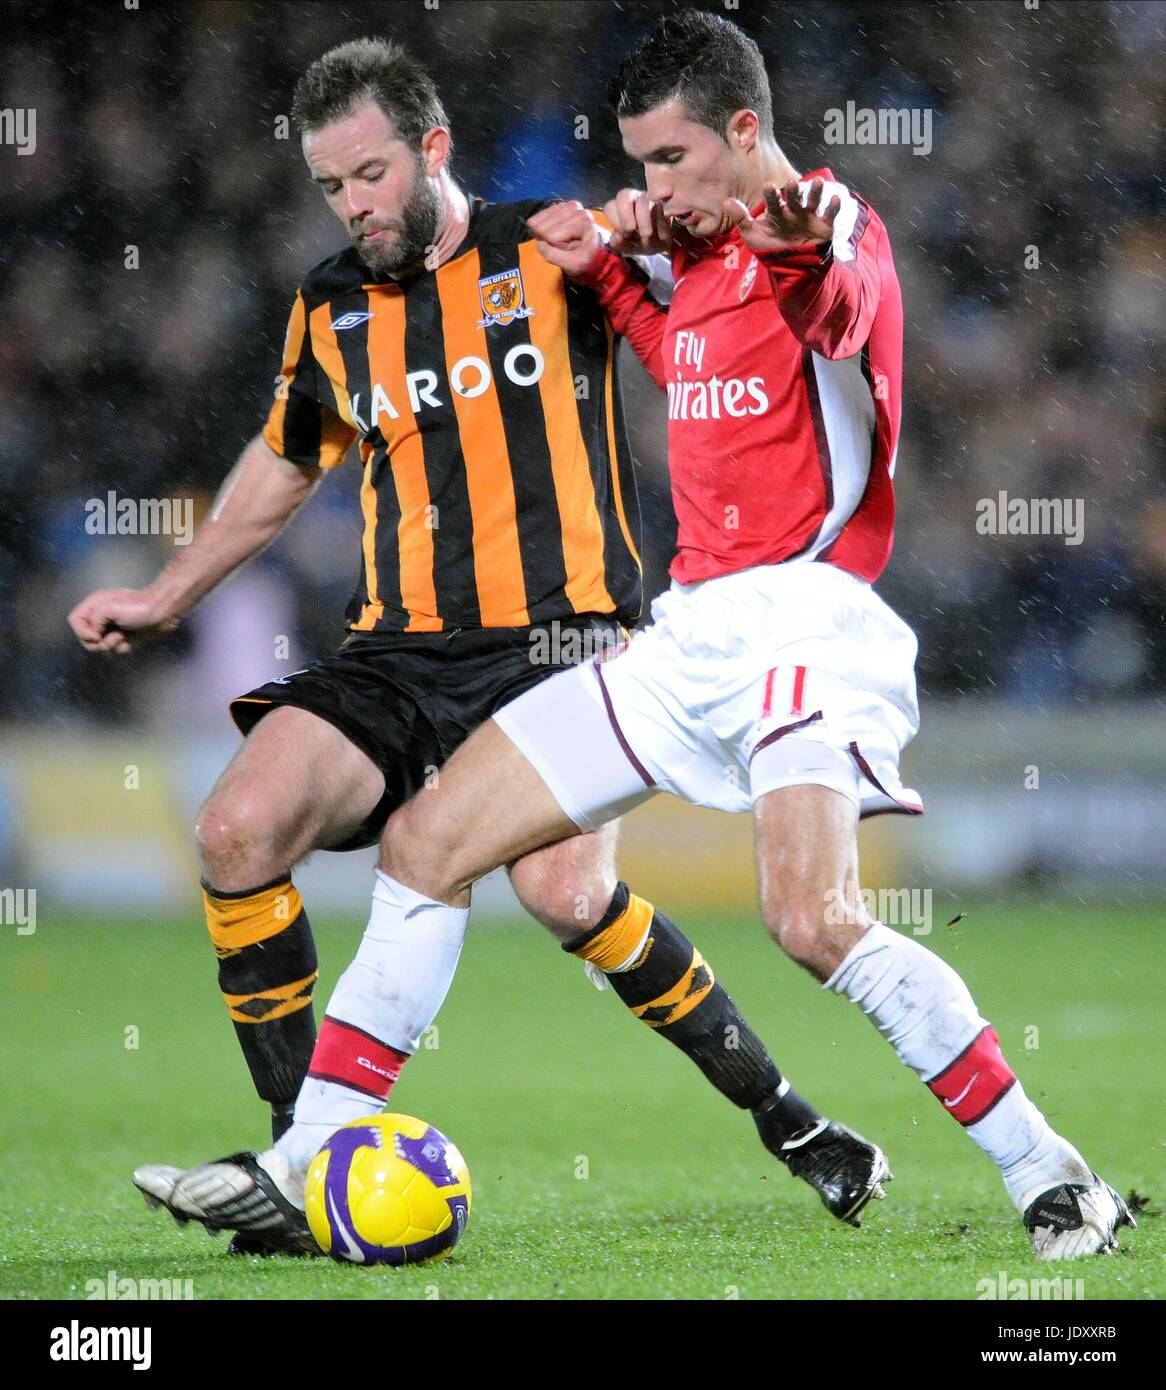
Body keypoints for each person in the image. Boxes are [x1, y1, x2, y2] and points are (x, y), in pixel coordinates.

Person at [139, 10, 1135, 1262]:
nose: (650, 188)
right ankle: (305, 1156)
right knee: (426, 839)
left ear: (742, 131)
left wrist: (802, 239)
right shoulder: (704, 266)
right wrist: (612, 268)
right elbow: (680, 355)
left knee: (811, 920)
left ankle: (1051, 1176)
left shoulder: (825, 229)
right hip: (685, 633)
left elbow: (838, 303)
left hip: (806, 620)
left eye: (669, 162)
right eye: (638, 165)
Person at [70, 35, 890, 1255]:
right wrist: (169, 592)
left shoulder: (550, 244)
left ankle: (788, 1117)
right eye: (329, 187)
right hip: (399, 654)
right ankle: (307, 1150)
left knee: (565, 890)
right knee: (237, 828)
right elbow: (286, 462)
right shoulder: (329, 305)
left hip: (562, 641)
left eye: (370, 176)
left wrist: (699, 229)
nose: (352, 206)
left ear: (433, 148)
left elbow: (716, 291)